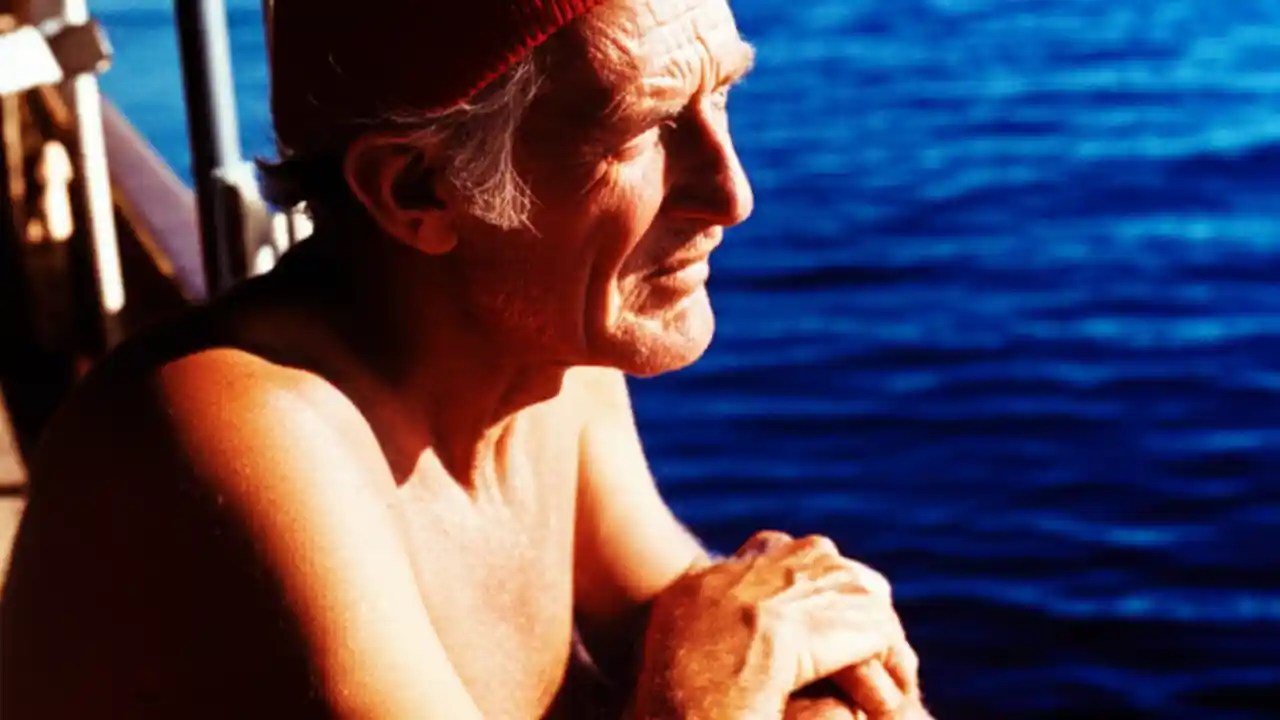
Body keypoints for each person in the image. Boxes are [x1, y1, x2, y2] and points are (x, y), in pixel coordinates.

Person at [1, 0, 933, 717]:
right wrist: (707, 700)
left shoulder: (543, 356)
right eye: (641, 126)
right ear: (418, 189)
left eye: (721, 94)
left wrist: (818, 664)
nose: (733, 194)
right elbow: (700, 672)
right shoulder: (234, 434)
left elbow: (684, 616)